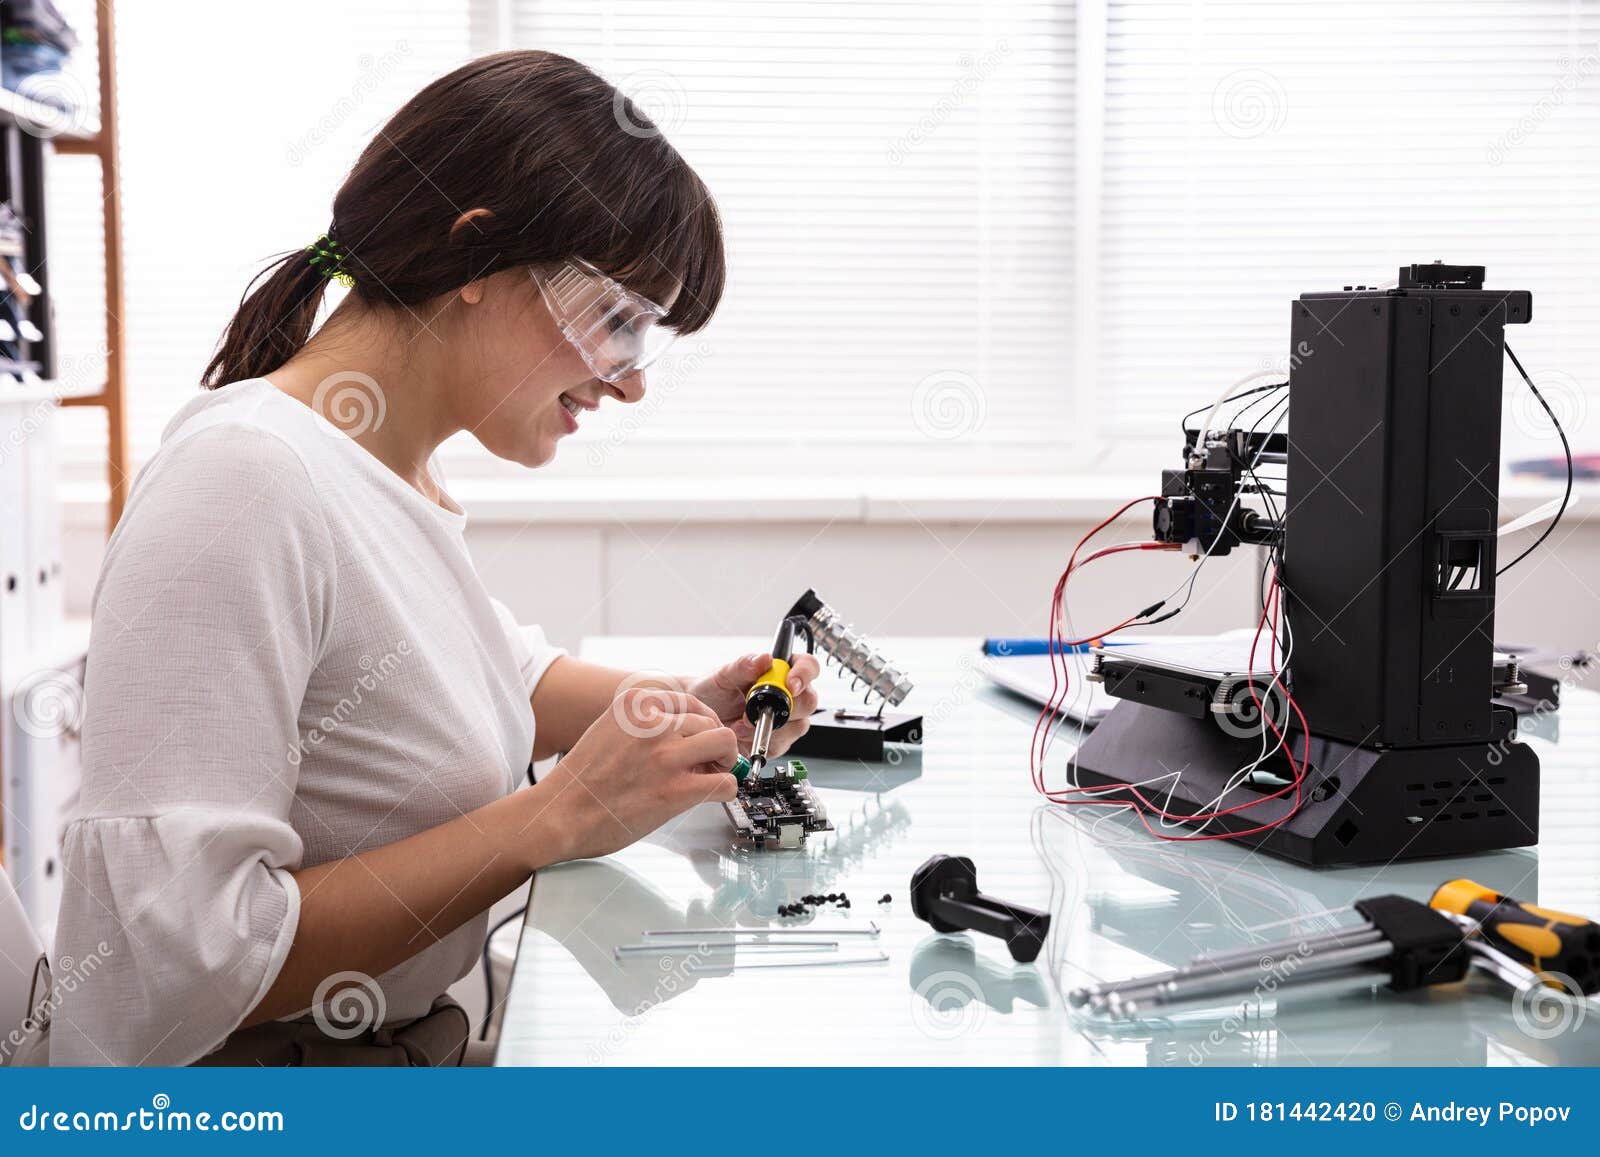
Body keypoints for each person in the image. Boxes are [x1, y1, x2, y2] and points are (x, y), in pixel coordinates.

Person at [51, 50, 819, 1066]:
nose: (630, 383)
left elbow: (481, 677)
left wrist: (685, 702)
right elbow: (177, 959)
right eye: (616, 319)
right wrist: (556, 814)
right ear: (476, 260)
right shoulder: (247, 481)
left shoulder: (377, 469)